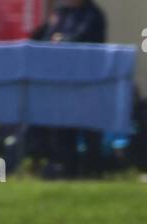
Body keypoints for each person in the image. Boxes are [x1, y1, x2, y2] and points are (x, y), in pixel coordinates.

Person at [30, 0, 107, 178]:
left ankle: (91, 172)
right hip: (61, 81)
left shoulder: (93, 14)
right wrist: (49, 26)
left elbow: (86, 37)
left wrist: (62, 39)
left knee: (90, 129)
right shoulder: (61, 13)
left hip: (87, 82)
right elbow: (42, 38)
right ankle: (66, 170)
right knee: (63, 130)